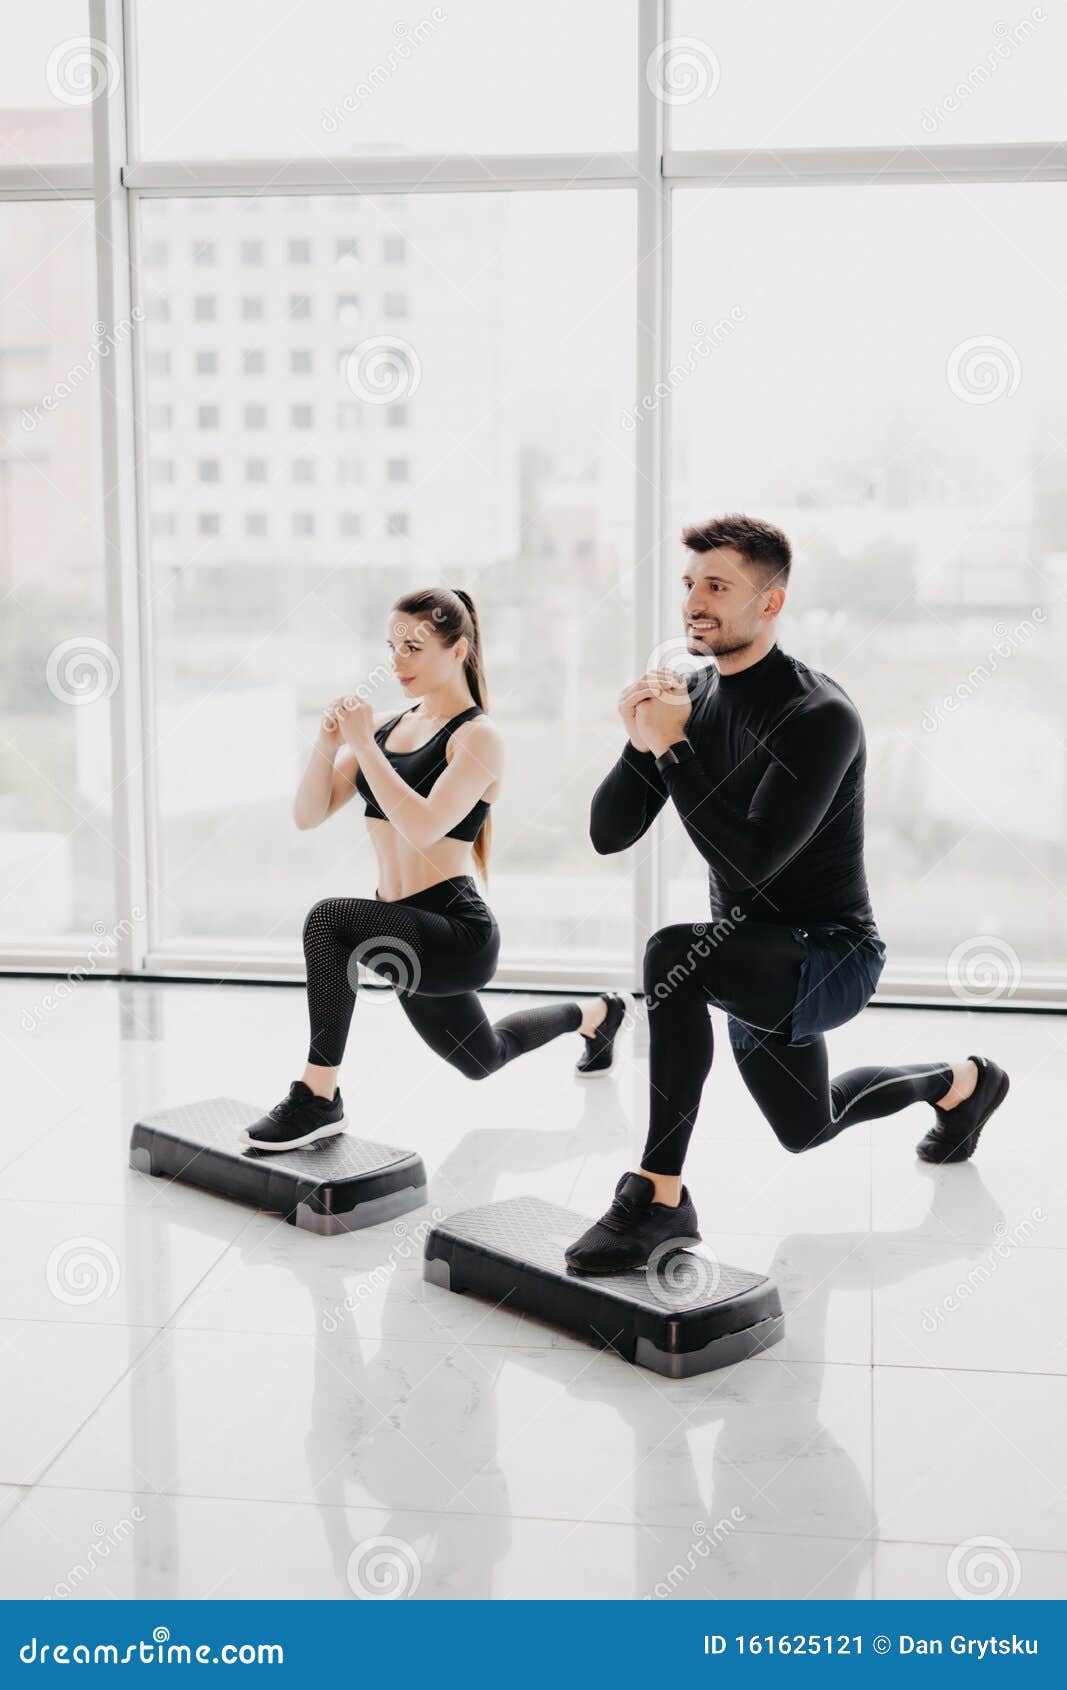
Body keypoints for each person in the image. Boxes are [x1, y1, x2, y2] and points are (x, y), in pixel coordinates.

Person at [566, 514, 1010, 1274]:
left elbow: (752, 870)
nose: (693, 602)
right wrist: (640, 734)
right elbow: (609, 834)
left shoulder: (818, 715)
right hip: (748, 956)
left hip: (831, 955)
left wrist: (672, 746)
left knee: (673, 953)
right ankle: (960, 1085)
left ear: (769, 604)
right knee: (809, 1126)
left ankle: (660, 1196)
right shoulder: (691, 698)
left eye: (717, 586)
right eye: (689, 585)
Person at [243, 586, 627, 1151]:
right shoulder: (384, 731)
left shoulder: (479, 738)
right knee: (483, 1058)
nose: (396, 662)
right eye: (392, 646)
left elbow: (423, 826)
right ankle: (597, 1014)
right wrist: (328, 743)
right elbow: (308, 814)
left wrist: (362, 746)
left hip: (454, 935)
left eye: (413, 647)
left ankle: (318, 1096)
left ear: (458, 651)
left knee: (328, 921)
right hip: (403, 934)